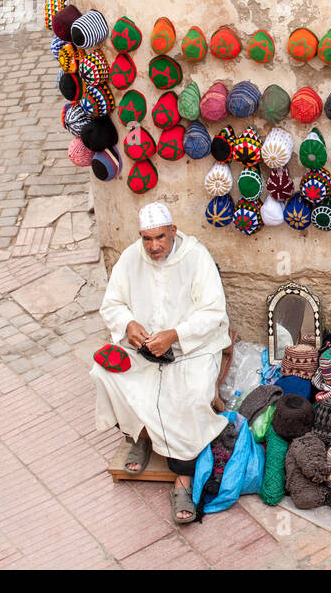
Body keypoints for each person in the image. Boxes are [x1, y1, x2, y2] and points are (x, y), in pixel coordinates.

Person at [94, 202, 232, 524]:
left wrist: (176, 334)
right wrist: (128, 324)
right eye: (147, 239)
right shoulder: (130, 259)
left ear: (172, 231)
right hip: (145, 349)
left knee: (191, 393)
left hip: (191, 348)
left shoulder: (196, 258)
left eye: (160, 237)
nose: (154, 246)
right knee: (105, 370)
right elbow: (112, 304)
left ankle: (182, 481)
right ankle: (140, 436)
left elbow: (214, 313)